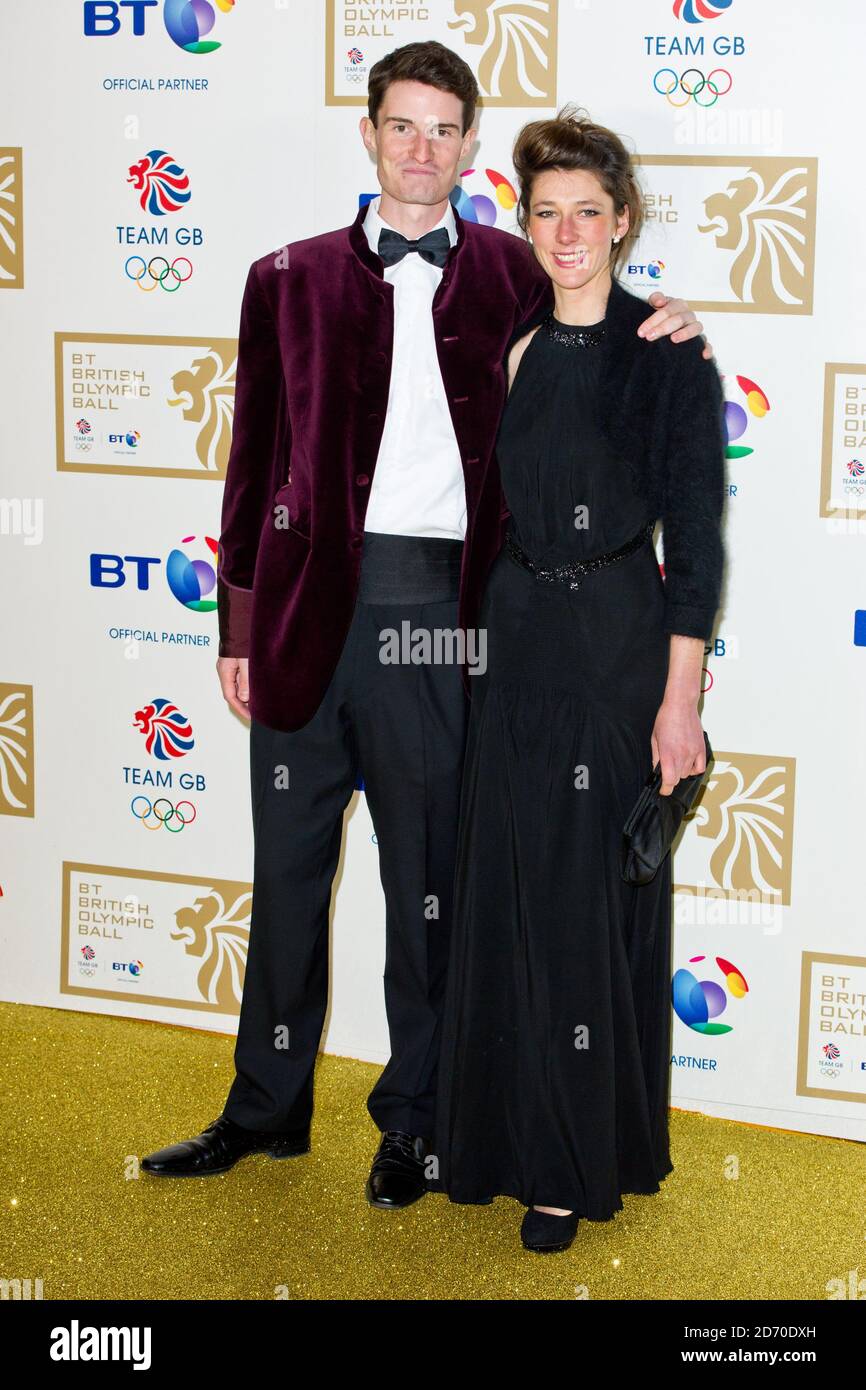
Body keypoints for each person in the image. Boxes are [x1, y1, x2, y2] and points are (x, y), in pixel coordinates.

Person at [141, 44, 710, 1208]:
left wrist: (675, 317)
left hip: (448, 630)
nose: (421, 149)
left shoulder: (516, 270)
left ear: (466, 146)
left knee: (428, 889)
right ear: (368, 135)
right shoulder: (283, 277)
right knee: (286, 881)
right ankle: (265, 1108)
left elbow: (600, 327)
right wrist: (236, 624)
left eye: (444, 130)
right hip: (305, 622)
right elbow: (250, 464)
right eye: (401, 126)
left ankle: (414, 1120)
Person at [432, 106, 726, 1252]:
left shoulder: (664, 353)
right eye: (543, 211)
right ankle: (499, 1136)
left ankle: (569, 1162)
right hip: (513, 642)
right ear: (524, 219)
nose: (564, 231)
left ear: (619, 221)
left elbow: (695, 544)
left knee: (580, 906)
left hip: (615, 645)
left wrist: (677, 698)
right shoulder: (507, 343)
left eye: (585, 212)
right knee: (507, 891)